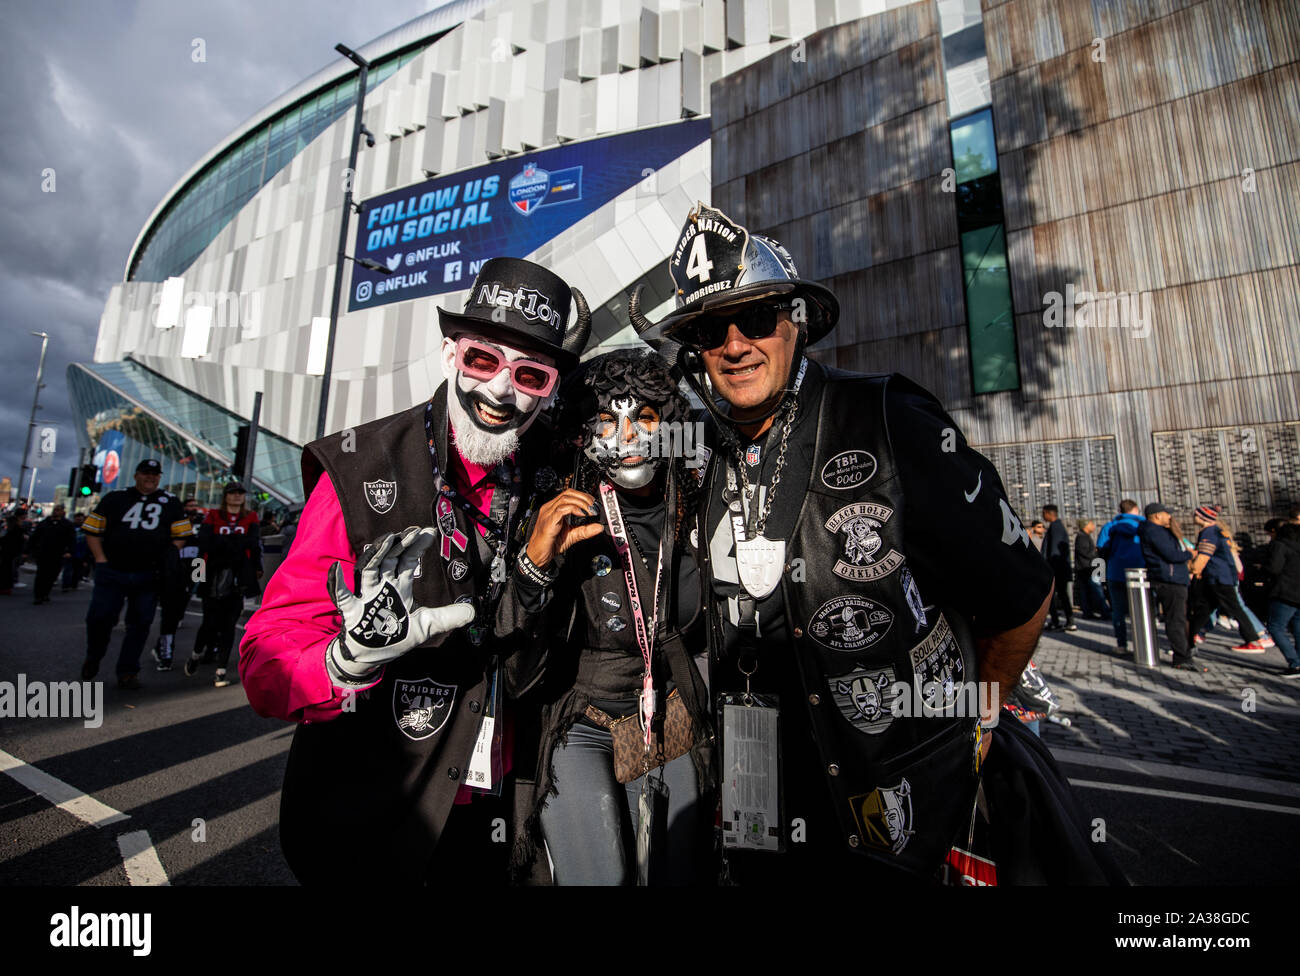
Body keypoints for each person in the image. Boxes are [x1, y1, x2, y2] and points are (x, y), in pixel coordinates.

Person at [629, 203, 1120, 885]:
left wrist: (973, 726)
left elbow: (1020, 595)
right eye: (712, 329)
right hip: (754, 775)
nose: (736, 344)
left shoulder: (889, 417)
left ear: (795, 322)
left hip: (903, 786)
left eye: (759, 318)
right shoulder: (701, 456)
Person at [239, 257, 590, 884]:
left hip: (500, 813)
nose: (500, 392)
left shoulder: (554, 472)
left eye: (530, 375)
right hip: (375, 812)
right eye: (483, 360)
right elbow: (266, 658)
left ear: (549, 391)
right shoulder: (360, 466)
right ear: (450, 351)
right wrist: (343, 661)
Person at [496, 349, 715, 885]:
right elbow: (512, 658)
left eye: (643, 417)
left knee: (678, 874)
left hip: (671, 715)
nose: (626, 436)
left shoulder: (705, 503)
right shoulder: (561, 512)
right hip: (581, 721)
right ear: (581, 434)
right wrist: (536, 565)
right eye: (606, 420)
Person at [81, 459, 194, 689]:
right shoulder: (115, 498)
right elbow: (92, 530)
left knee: (141, 623)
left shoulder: (171, 502)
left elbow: (183, 536)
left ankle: (128, 670)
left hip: (149, 574)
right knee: (99, 618)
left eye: (155, 474)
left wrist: (172, 554)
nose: (150, 477)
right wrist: (100, 560)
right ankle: (94, 656)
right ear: (136, 475)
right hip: (113, 570)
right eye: (146, 473)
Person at [183, 483, 262, 686]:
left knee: (228, 625)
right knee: (209, 623)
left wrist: (254, 571)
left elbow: (253, 545)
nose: (237, 497)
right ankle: (196, 653)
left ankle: (221, 670)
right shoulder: (213, 515)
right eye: (233, 493)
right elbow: (204, 545)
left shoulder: (251, 517)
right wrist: (197, 577)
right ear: (225, 496)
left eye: (240, 493)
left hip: (237, 578)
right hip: (212, 577)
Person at [1187, 504, 1269, 653]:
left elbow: (1203, 557)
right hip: (1222, 576)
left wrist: (1192, 569)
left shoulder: (1209, 533)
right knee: (1204, 608)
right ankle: (1189, 637)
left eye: (1195, 515)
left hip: (1218, 577)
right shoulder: (1219, 532)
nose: (1193, 517)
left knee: (1234, 608)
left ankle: (1253, 641)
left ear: (1201, 517)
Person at [1139, 502, 1198, 671]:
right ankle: (1181, 656)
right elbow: (1170, 554)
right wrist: (1189, 554)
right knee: (1176, 619)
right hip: (1169, 579)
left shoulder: (1157, 531)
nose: (1169, 516)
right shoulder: (1154, 532)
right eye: (1167, 513)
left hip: (1173, 578)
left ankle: (1184, 652)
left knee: (1178, 617)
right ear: (1157, 515)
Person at [153, 498, 205, 670]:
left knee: (177, 615)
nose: (193, 509)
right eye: (189, 506)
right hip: (172, 577)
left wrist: (198, 580)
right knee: (170, 616)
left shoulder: (200, 527)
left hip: (189, 578)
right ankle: (165, 655)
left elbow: (202, 554)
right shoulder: (171, 526)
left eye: (194, 506)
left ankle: (159, 647)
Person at [1097, 500, 1145, 656]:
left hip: (1115, 571)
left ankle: (1122, 644)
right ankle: (1143, 643)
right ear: (1136, 509)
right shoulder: (1144, 526)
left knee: (1117, 610)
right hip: (1140, 572)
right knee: (1142, 609)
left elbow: (1102, 550)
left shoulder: (1110, 527)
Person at [1264, 522, 1300, 678]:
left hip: (1285, 591)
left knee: (1275, 626)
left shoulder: (1279, 545)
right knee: (1298, 628)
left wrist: (1262, 568)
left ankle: (1295, 663)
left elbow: (1274, 568)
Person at [26, 504, 75, 604]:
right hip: (43, 552)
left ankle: (45, 593)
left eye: (58, 510)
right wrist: (27, 551)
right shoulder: (44, 523)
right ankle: (38, 595)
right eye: (55, 510)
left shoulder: (67, 525)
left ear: (62, 512)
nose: (56, 512)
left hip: (58, 553)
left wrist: (69, 551)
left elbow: (71, 540)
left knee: (52, 574)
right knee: (41, 574)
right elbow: (34, 537)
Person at [1041, 505, 1075, 631]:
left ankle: (1057, 621)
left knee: (1050, 596)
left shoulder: (1055, 527)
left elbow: (1054, 552)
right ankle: (1068, 621)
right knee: (1062, 595)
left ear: (1048, 513)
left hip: (1056, 570)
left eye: (1043, 513)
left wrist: (1049, 569)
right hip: (1060, 569)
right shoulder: (1057, 527)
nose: (1042, 516)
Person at [1071, 519, 1106, 619]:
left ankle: (1089, 612)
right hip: (1088, 568)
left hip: (1087, 568)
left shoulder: (1084, 536)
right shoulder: (1082, 537)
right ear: (1085, 526)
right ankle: (1104, 612)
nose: (1093, 526)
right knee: (1097, 590)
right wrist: (1096, 553)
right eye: (1091, 524)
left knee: (1087, 591)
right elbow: (1086, 553)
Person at [0, 510, 27, 594]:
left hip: (8, 549)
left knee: (7, 568)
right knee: (8, 568)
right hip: (9, 549)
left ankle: (6, 586)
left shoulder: (12, 525)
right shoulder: (14, 525)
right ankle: (6, 586)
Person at [63, 512, 91, 592]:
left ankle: (73, 584)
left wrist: (86, 557)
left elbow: (88, 544)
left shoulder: (86, 529)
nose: (79, 520)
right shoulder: (70, 527)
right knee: (68, 569)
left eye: (81, 519)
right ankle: (66, 585)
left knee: (77, 570)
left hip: (80, 553)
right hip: (70, 552)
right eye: (77, 519)